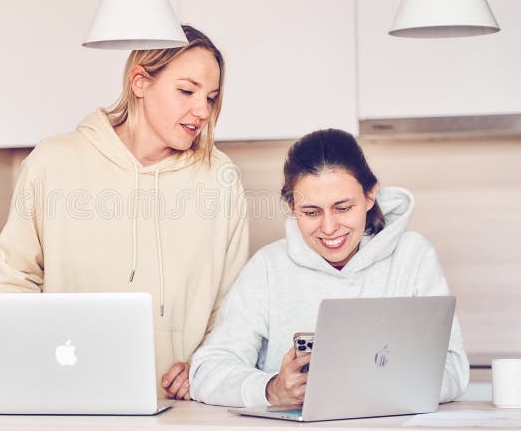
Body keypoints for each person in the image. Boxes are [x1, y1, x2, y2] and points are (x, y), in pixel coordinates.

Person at [0, 25, 250, 400]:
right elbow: (14, 280)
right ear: (140, 81)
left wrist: (207, 363)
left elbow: (234, 302)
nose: (202, 111)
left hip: (179, 407)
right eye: (187, 91)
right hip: (66, 395)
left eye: (211, 98)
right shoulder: (53, 162)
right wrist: (10, 363)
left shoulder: (220, 178)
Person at [189, 128, 469, 407]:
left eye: (343, 207)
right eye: (311, 212)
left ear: (370, 195)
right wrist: (271, 389)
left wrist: (373, 386)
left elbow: (453, 368)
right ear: (292, 205)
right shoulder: (268, 268)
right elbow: (207, 371)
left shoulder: (413, 257)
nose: (329, 227)